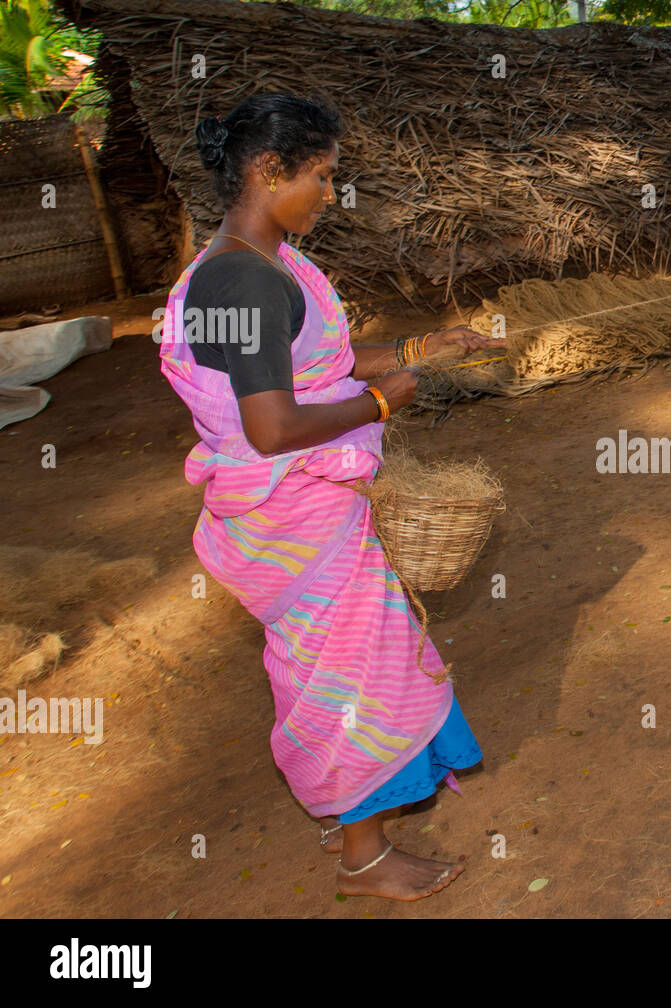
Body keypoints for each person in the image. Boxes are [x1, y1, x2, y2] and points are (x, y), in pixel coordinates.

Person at [158, 93, 492, 901]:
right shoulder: (237, 282)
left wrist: (424, 347)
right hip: (292, 516)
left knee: (347, 664)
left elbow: (316, 364)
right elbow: (273, 426)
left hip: (300, 510)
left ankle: (362, 834)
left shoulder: (262, 267)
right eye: (323, 176)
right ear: (270, 171)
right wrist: (384, 404)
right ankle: (365, 860)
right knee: (341, 677)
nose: (332, 193)